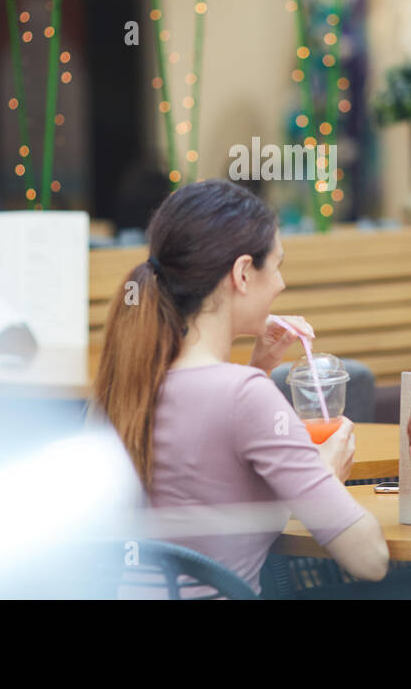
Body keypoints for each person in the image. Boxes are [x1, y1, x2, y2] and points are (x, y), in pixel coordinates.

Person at [91, 179, 389, 596]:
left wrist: (260, 366)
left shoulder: (125, 383)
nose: (282, 283)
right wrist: (326, 475)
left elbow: (213, 487)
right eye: (277, 265)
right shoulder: (243, 396)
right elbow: (370, 559)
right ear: (243, 273)